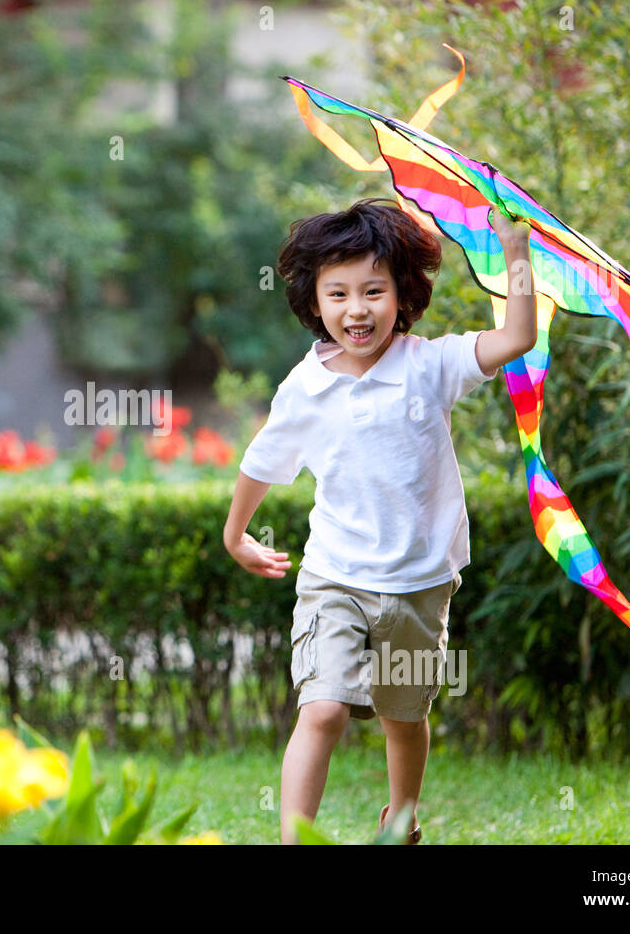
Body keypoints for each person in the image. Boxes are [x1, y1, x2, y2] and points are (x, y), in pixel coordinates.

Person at [222, 197, 534, 844]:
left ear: (403, 294)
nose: (355, 309)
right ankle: (294, 838)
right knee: (324, 707)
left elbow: (517, 338)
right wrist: (236, 535)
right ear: (314, 301)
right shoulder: (304, 388)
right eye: (337, 294)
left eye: (373, 290)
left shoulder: (431, 365)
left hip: (420, 582)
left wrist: (517, 256)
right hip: (334, 576)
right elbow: (262, 462)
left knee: (402, 712)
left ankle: (401, 815)